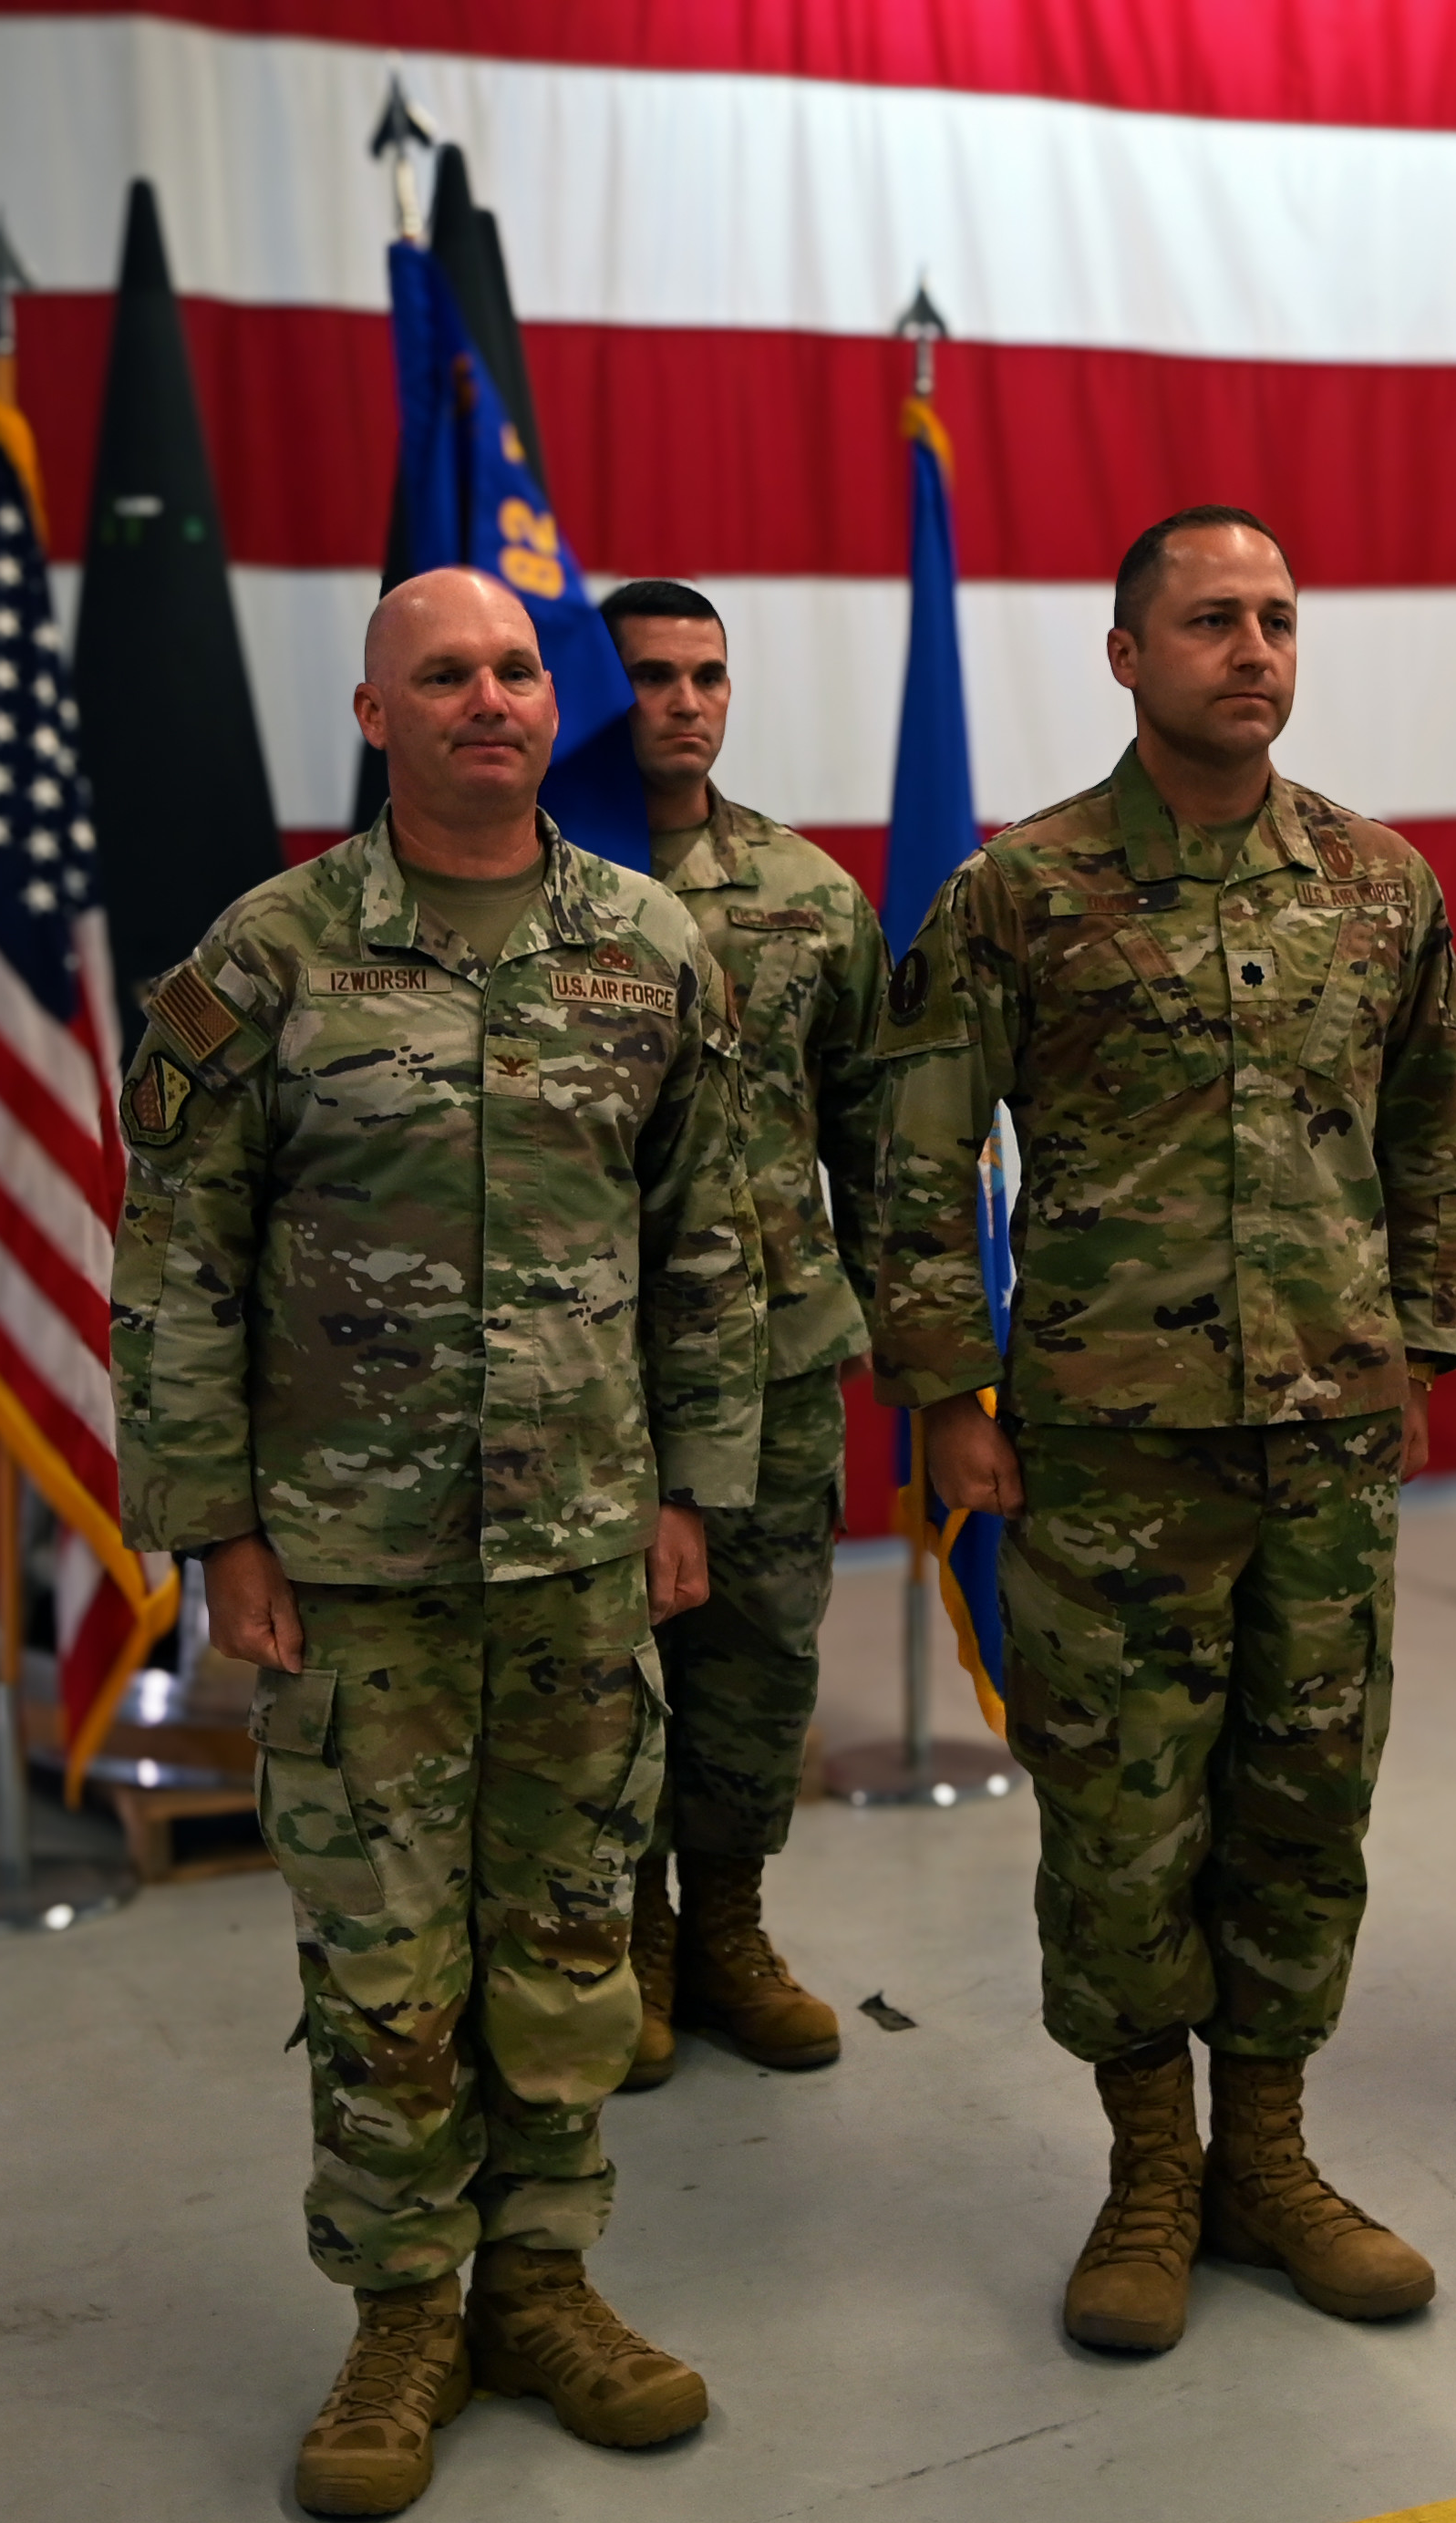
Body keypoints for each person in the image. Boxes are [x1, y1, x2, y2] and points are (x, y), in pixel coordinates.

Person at [108, 566, 759, 2517]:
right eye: (445, 673)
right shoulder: (275, 957)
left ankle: (545, 2287)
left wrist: (683, 1491)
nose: (492, 696)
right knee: (385, 1966)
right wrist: (215, 1527)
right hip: (352, 1564)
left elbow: (707, 1241)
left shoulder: (648, 945)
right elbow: (179, 1264)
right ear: (376, 715)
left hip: (578, 1548)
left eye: (513, 668)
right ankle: (404, 2315)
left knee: (565, 1946)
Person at [871, 507, 1456, 2356]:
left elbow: (1429, 1143)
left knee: (1305, 1806)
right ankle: (1149, 2169)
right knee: (1123, 1819)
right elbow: (914, 1159)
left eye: (1279, 618)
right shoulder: (1021, 893)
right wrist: (946, 1398)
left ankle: (1269, 2161)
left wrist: (1422, 1350)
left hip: (1323, 1444)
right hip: (1104, 1455)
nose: (1255, 650)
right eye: (1212, 619)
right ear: (1126, 655)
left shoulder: (1383, 888)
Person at [595, 578, 885, 2089]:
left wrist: (929, 1351)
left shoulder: (806, 896)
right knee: (609, 1663)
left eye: (707, 674)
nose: (684, 702)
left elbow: (876, 1132)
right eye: (651, 675)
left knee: (761, 1656)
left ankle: (727, 1928)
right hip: (586, 1363)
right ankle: (625, 1938)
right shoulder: (538, 881)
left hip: (773, 1351)